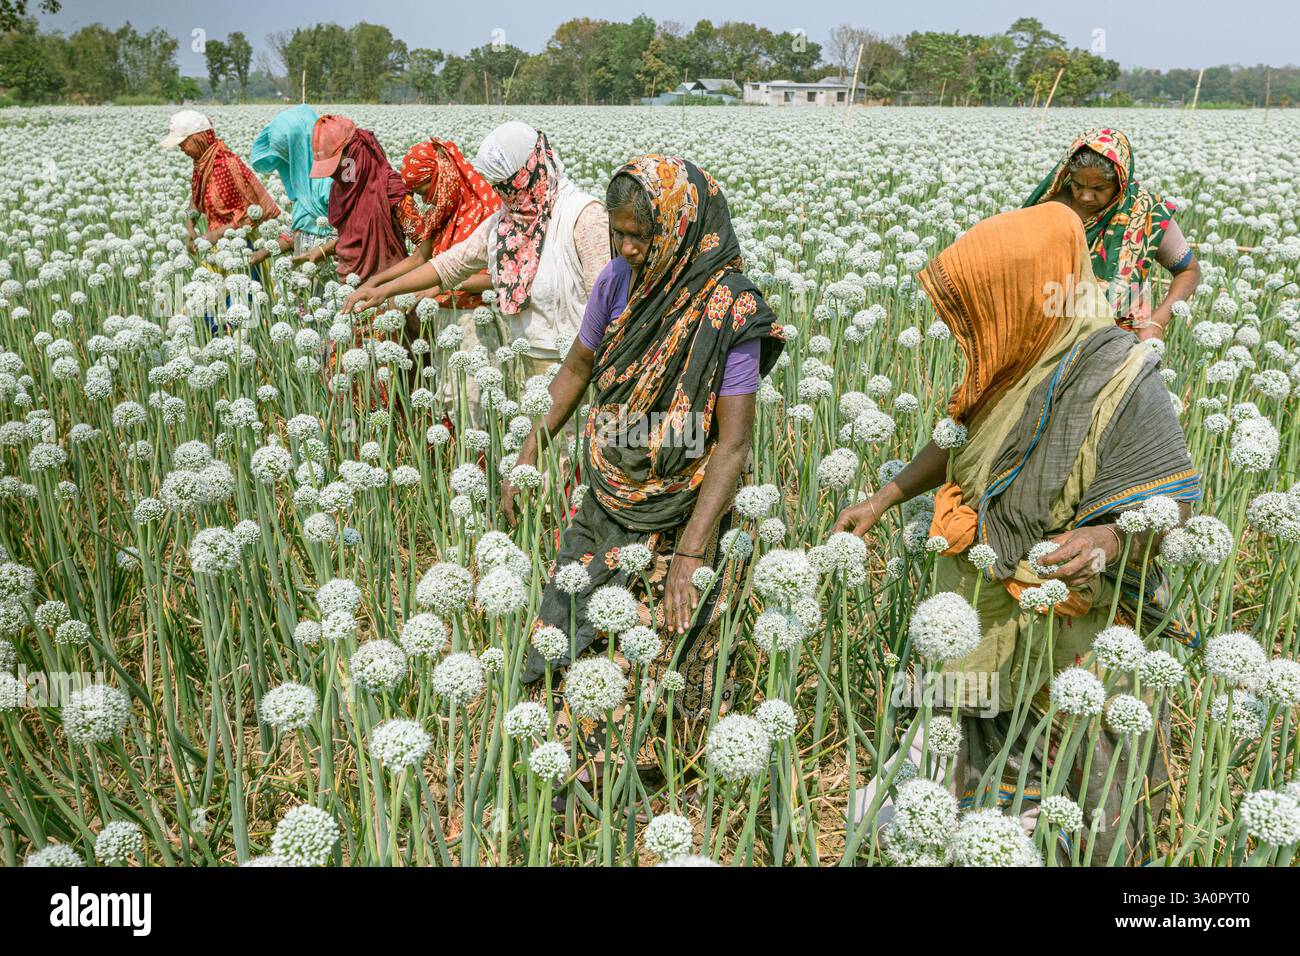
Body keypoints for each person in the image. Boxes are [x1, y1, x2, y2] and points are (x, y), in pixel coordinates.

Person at [835, 203, 1200, 864]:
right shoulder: (1014, 357)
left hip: (1074, 642)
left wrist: (1107, 540)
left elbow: (1173, 503)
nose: (976, 329)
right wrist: (885, 496)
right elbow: (961, 444)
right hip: (984, 626)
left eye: (989, 307)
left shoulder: (1122, 376)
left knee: (1078, 818)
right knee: (962, 791)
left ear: (1033, 294)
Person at [507, 155, 785, 766]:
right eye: (619, 233)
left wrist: (689, 551)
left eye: (641, 235)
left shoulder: (729, 310)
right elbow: (578, 368)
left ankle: (642, 775)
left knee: (655, 663)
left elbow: (733, 444)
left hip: (684, 504)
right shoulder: (613, 282)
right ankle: (556, 763)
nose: (628, 247)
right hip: (609, 488)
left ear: (680, 228)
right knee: (561, 629)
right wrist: (530, 451)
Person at [348, 122, 609, 379]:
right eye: (498, 188)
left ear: (531, 169)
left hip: (577, 366)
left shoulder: (583, 217)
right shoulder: (505, 223)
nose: (505, 197)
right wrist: (383, 290)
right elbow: (449, 264)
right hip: (526, 358)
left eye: (509, 185)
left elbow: (604, 304)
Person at [1024, 128, 1200, 339]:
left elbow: (1189, 271)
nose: (1086, 196)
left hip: (1119, 340)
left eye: (1098, 188)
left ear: (1120, 182)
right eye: (1078, 185)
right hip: (1046, 335)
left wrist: (1157, 322)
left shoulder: (1146, 212)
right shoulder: (1050, 206)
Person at [302, 115, 409, 285]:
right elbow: (356, 237)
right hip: (349, 295)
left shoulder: (390, 190)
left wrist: (379, 283)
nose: (331, 174)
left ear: (353, 152)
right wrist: (323, 250)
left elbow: (425, 249)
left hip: (389, 296)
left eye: (335, 166)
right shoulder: (340, 192)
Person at [161, 109, 281, 254]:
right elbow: (198, 195)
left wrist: (215, 235)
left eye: (183, 143)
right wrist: (190, 226)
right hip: (215, 246)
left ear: (198, 139)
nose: (181, 149)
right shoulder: (203, 163)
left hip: (242, 245)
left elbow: (254, 213)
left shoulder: (226, 164)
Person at [248, 105, 335, 264]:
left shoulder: (332, 181)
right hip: (308, 276)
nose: (289, 163)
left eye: (291, 153)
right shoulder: (304, 189)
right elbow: (299, 231)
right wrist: (265, 252)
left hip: (335, 274)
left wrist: (322, 250)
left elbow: (352, 236)